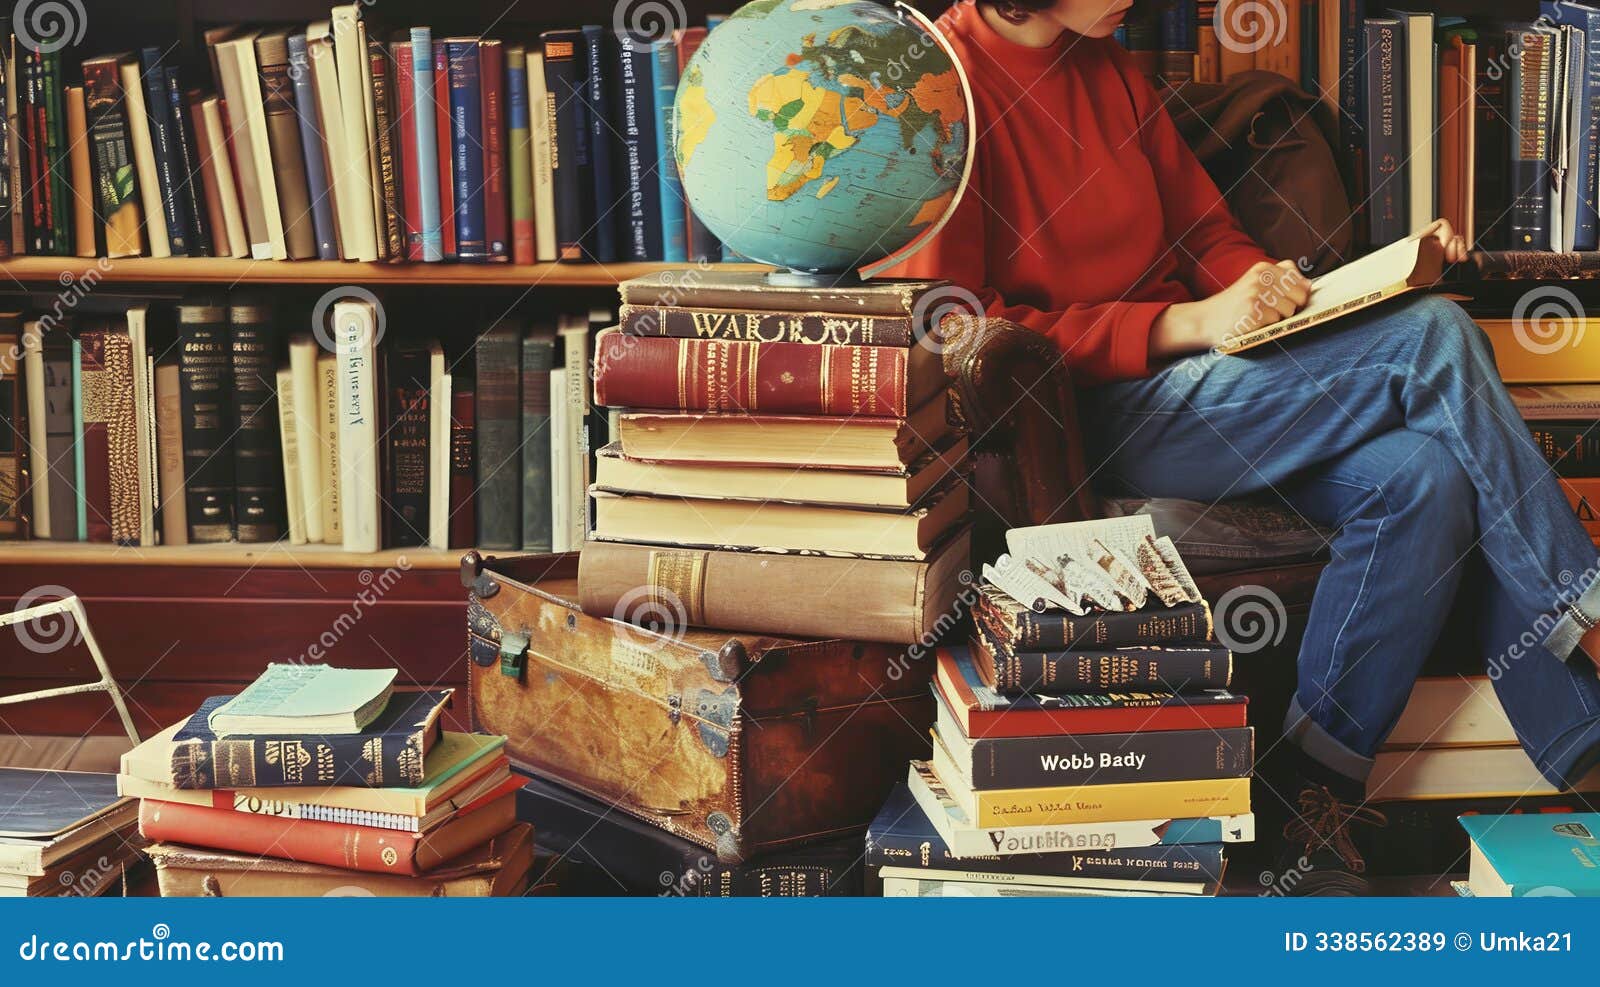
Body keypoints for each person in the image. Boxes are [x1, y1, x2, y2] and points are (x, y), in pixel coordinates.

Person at [891, 0, 1600, 895]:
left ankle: (1316, 789)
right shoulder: (936, 90)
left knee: (1421, 476)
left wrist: (1275, 288)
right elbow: (955, 332)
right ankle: (1582, 617)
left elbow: (1205, 233)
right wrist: (1188, 321)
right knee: (1436, 338)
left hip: (1209, 379)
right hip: (1094, 416)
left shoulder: (1106, 66)